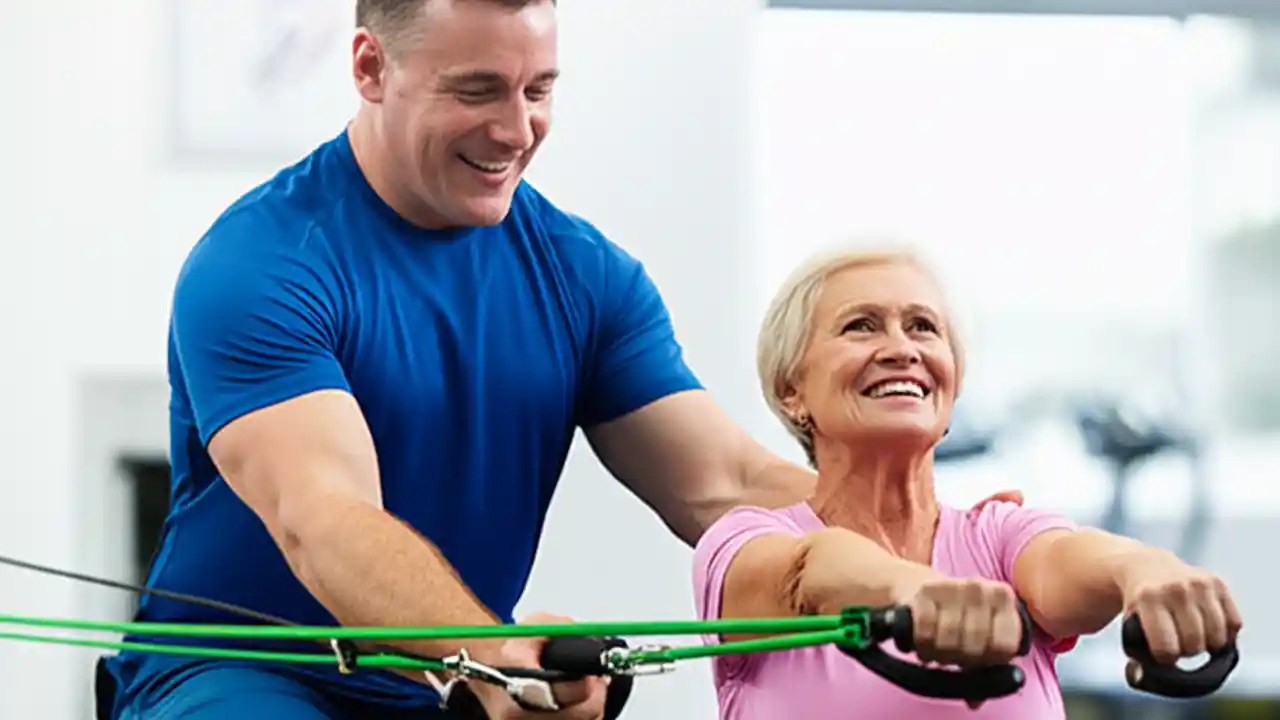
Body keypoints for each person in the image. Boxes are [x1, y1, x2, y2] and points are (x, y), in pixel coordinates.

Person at [691, 244, 1244, 719]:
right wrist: (912, 590)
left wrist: (1145, 570)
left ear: (950, 387)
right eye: (861, 325)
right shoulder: (744, 542)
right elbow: (811, 568)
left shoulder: (998, 537)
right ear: (792, 389)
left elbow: (1070, 563)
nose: (902, 349)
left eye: (923, 327)